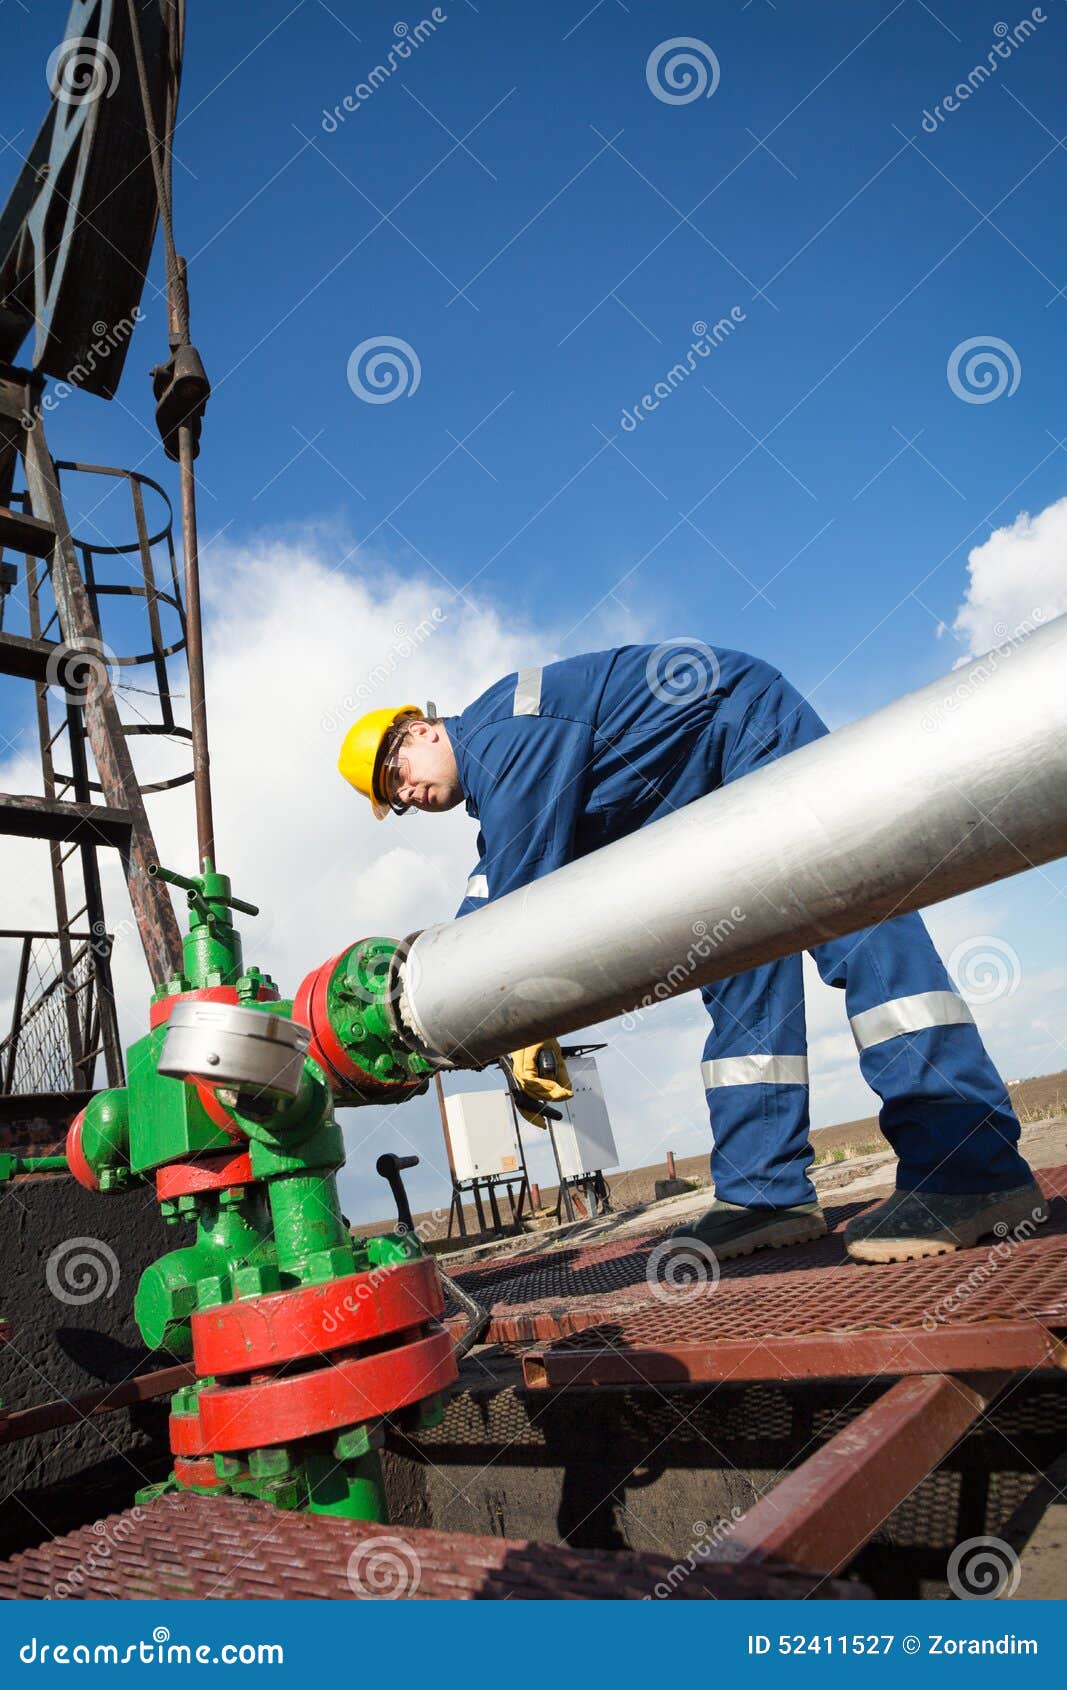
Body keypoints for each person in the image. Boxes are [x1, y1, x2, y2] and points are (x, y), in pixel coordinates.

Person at [337, 643, 1046, 1263]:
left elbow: (507, 906)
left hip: (744, 728)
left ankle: (970, 1167)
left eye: (396, 770)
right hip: (698, 793)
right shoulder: (502, 777)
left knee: (857, 909)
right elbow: (508, 895)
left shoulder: (501, 737)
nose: (407, 794)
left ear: (423, 728)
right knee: (736, 975)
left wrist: (486, 1020)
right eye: (393, 797)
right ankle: (764, 1196)